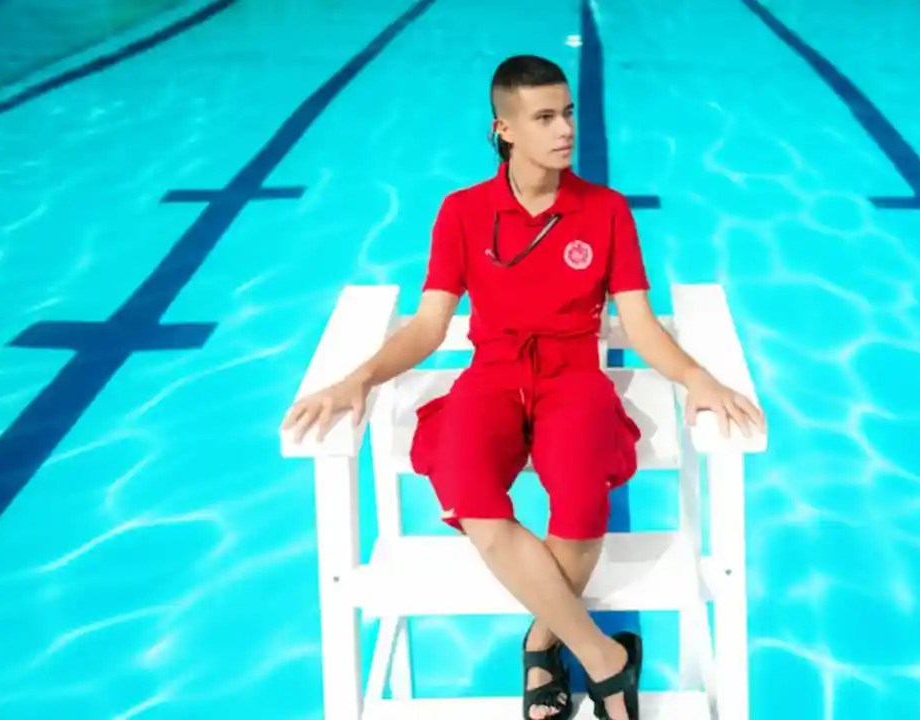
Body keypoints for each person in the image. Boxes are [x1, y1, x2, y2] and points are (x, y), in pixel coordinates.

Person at [283, 54, 764, 720]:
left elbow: (642, 325)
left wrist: (695, 376)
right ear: (504, 129)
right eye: (544, 117)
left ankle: (544, 642)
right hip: (494, 376)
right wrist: (356, 379)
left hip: (573, 376)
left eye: (568, 112)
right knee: (470, 493)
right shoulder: (462, 212)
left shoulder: (606, 211)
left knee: (582, 492)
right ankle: (603, 658)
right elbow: (428, 327)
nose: (566, 129)